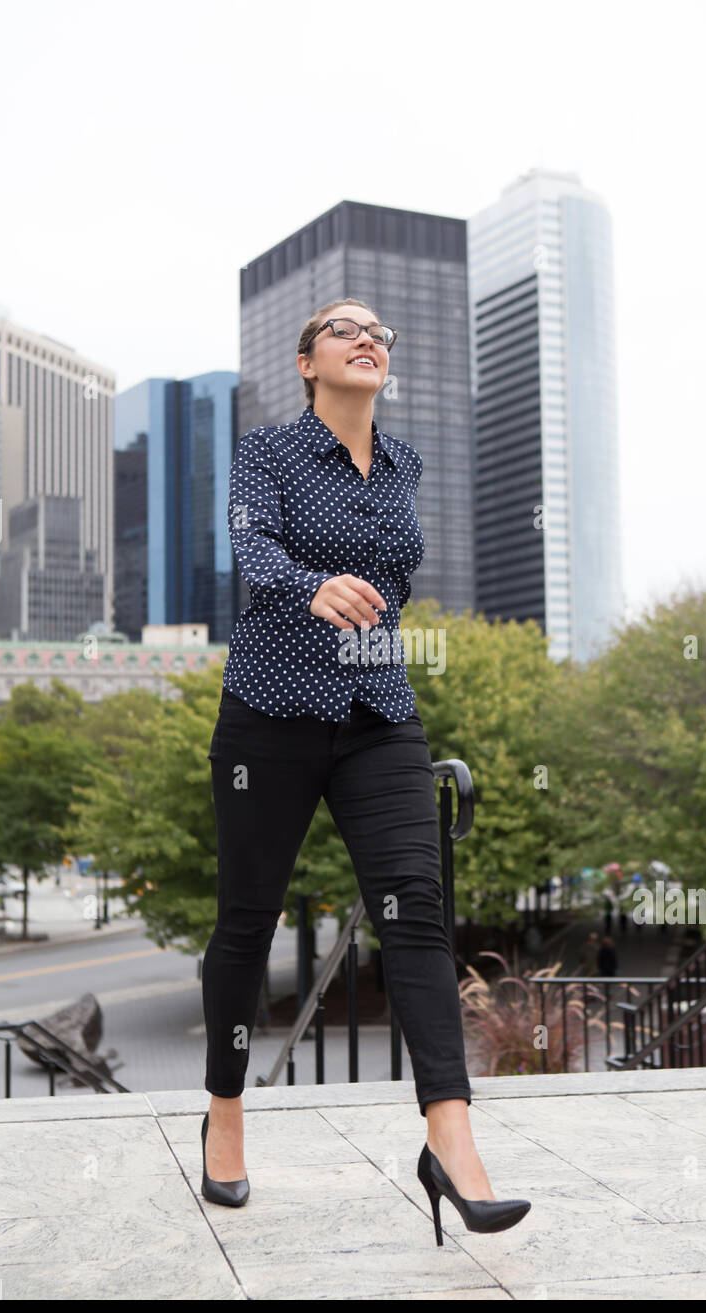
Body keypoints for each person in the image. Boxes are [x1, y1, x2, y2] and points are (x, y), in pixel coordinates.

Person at [199, 297, 530, 1241]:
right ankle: (226, 1114)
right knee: (245, 925)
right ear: (308, 362)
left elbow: (401, 575)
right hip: (269, 716)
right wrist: (315, 586)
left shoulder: (404, 464)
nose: (369, 338)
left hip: (379, 709)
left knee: (415, 915)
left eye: (382, 331)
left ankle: (452, 1142)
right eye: (347, 329)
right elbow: (252, 546)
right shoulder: (266, 451)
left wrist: (367, 607)